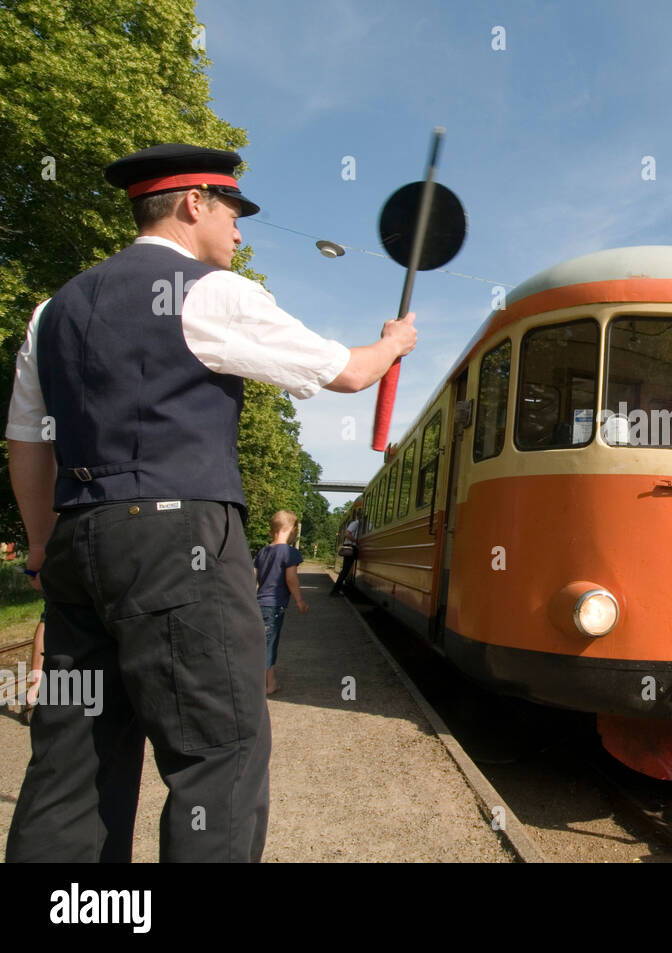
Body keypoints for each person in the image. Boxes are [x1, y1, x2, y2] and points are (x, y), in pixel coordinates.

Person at [5, 143, 418, 863]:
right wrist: (393, 344)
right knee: (218, 753)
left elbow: (27, 442)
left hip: (78, 541)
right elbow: (348, 373)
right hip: (181, 542)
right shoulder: (213, 292)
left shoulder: (51, 313)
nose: (238, 230)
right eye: (232, 210)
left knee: (71, 762)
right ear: (194, 203)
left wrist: (42, 546)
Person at [253, 510, 307, 695]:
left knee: (260, 642)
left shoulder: (263, 551)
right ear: (292, 531)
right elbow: (291, 579)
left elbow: (254, 577)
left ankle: (266, 681)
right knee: (269, 644)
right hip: (274, 606)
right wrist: (299, 600)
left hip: (259, 603)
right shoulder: (290, 553)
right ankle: (268, 685)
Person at [329, 508, 362, 596]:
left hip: (352, 547)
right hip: (351, 548)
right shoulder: (356, 523)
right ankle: (335, 590)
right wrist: (356, 540)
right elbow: (347, 534)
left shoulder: (359, 524)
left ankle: (336, 589)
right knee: (345, 570)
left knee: (345, 570)